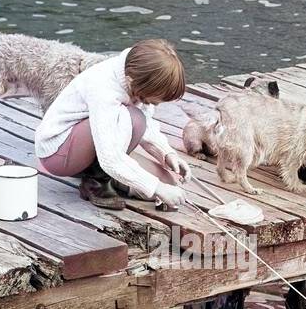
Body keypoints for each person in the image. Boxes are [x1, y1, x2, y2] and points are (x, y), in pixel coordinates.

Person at [35, 39, 192, 211]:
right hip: (58, 153)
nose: (154, 105)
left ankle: (115, 177)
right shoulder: (104, 88)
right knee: (132, 118)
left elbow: (147, 124)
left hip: (87, 148)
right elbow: (110, 158)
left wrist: (167, 154)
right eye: (151, 100)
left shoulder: (135, 76)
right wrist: (157, 188)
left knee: (169, 182)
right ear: (132, 82)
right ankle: (96, 183)